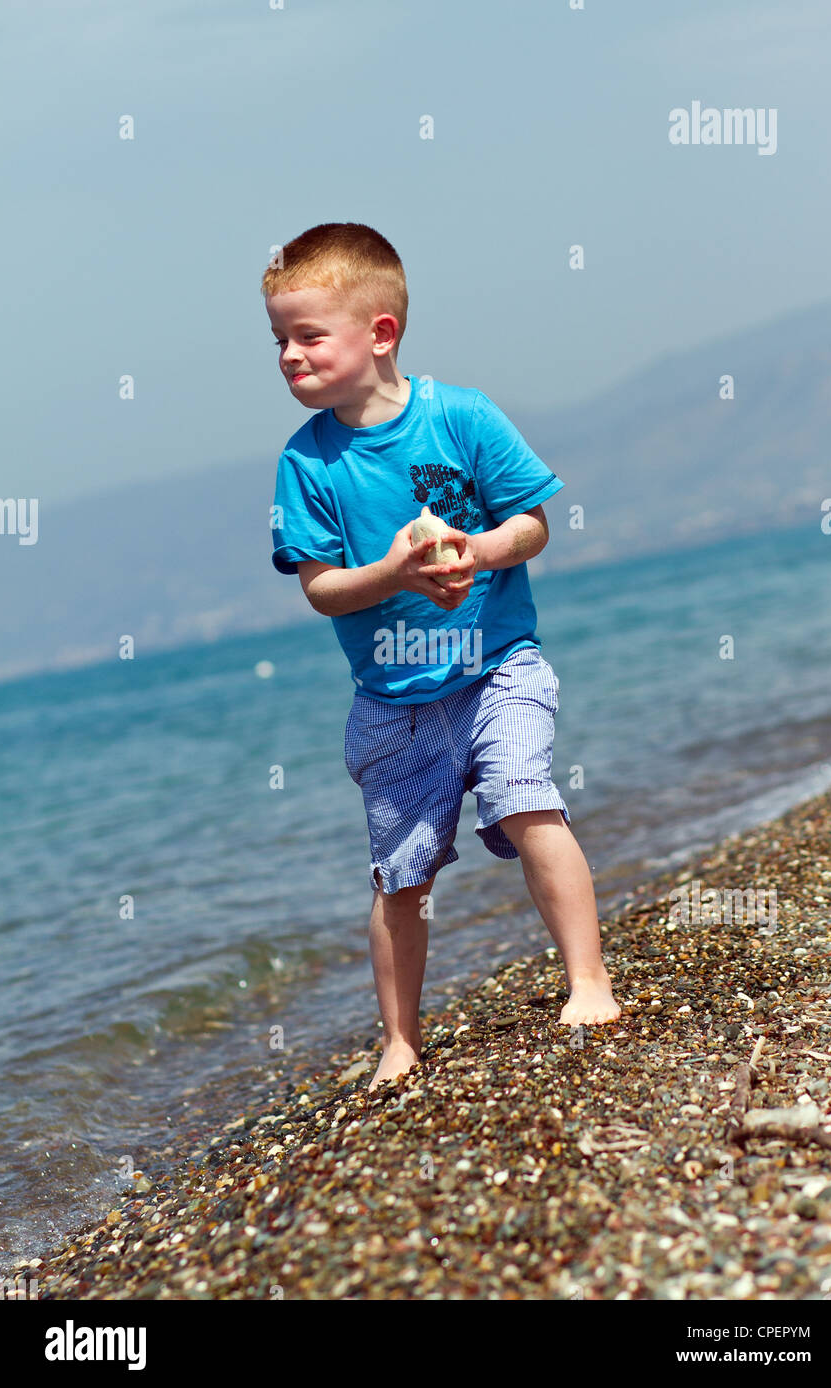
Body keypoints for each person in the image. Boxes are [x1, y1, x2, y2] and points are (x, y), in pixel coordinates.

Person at [262, 222, 620, 1090]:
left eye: (309, 336)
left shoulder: (461, 415)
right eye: (278, 340)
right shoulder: (306, 464)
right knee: (401, 874)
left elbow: (533, 522)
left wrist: (475, 551)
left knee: (525, 794)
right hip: (395, 700)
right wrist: (391, 571)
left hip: (501, 666)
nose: (289, 356)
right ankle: (399, 1039)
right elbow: (320, 589)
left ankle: (590, 981)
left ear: (379, 332)